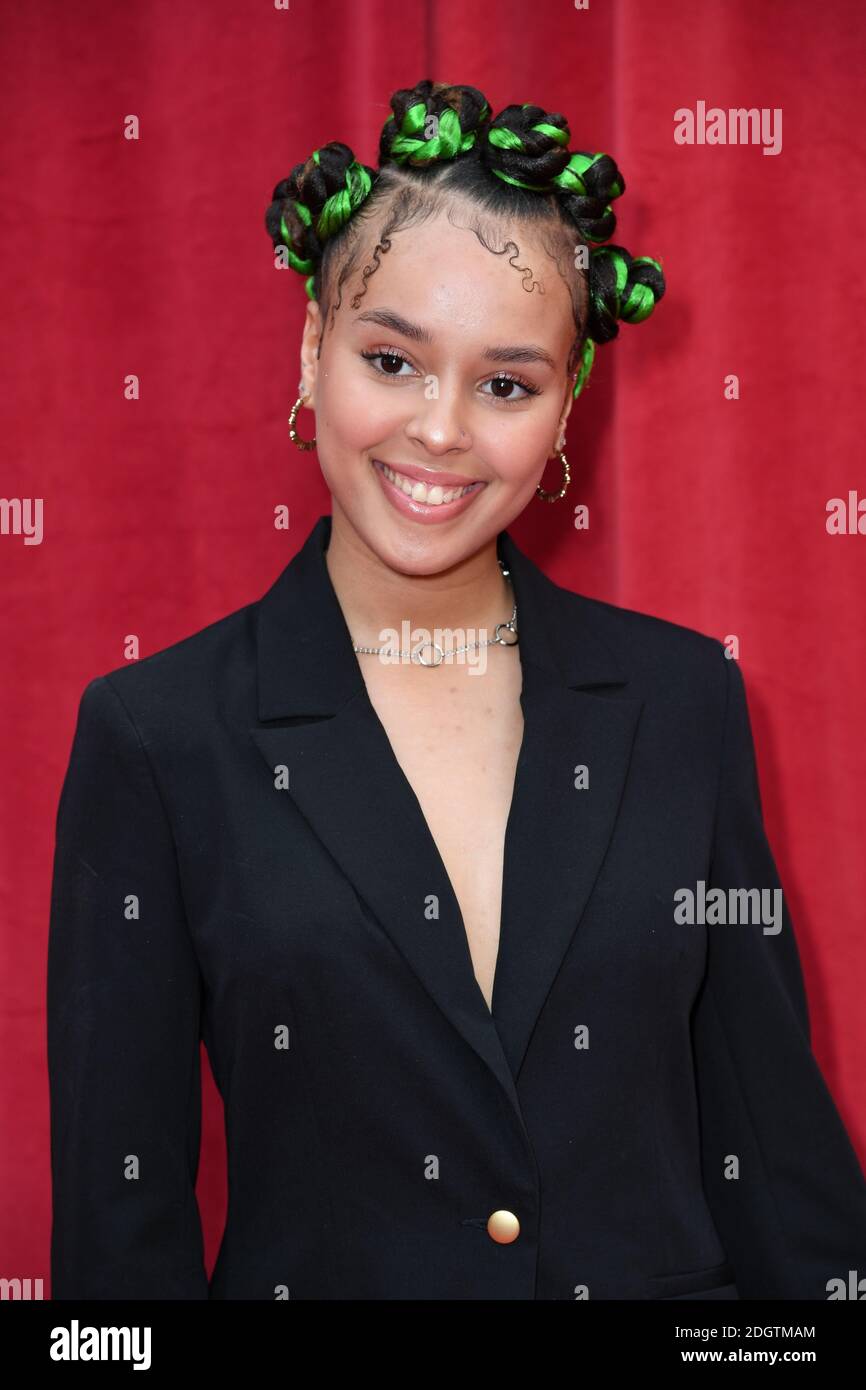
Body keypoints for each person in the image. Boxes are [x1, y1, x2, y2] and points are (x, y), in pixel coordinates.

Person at [47, 78, 866, 1300]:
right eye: (392, 358)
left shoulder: (680, 699)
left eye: (504, 383)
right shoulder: (156, 736)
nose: (439, 430)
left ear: (565, 405)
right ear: (312, 349)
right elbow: (122, 1233)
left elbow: (769, 1150)